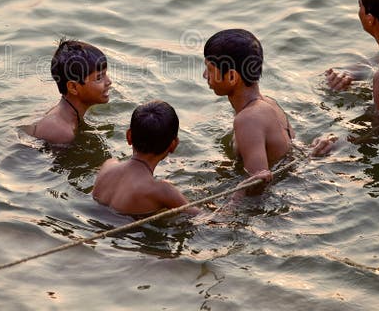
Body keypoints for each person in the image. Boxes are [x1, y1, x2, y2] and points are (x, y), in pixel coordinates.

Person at [202, 29, 293, 188]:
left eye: (210, 69)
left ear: (231, 77)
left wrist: (224, 209)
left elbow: (257, 188)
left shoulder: (248, 119)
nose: (204, 75)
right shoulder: (270, 103)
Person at [92, 101, 198, 216]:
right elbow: (202, 217)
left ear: (129, 136)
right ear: (173, 145)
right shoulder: (163, 191)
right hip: (128, 233)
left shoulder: (108, 165)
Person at [27, 39, 112, 144]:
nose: (109, 81)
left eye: (105, 74)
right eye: (99, 77)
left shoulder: (66, 114)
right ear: (73, 87)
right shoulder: (63, 132)